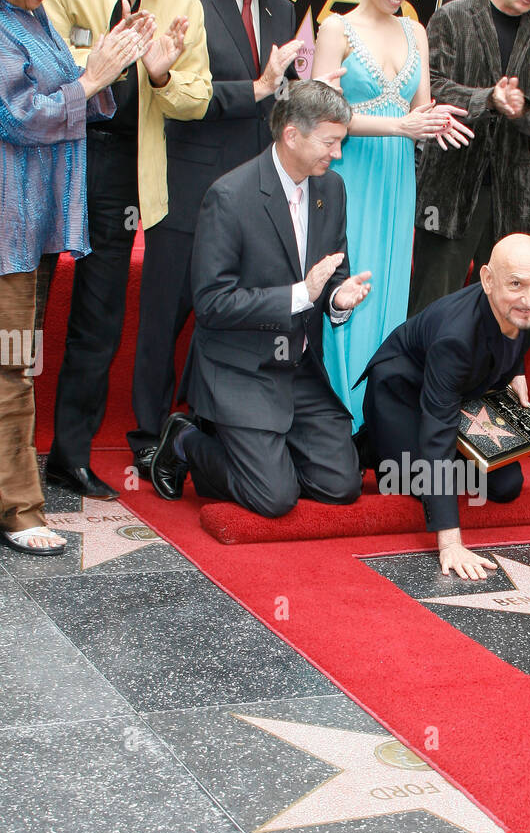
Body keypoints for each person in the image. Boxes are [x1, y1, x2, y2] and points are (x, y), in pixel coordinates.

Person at [127, 0, 307, 478]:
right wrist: (258, 84)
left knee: (231, 319)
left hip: (257, 195)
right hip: (190, 189)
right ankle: (148, 436)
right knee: (166, 315)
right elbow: (176, 98)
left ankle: (205, 426)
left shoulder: (283, 9)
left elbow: (280, 107)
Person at [42, 0, 212, 500]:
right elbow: (33, 70)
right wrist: (101, 63)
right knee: (23, 310)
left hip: (124, 169)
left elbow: (195, 100)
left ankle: (70, 456)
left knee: (100, 317)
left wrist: (163, 79)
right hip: (51, 156)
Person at [0, 0, 153, 556]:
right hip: (9, 233)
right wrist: (91, 80)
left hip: (28, 234)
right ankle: (20, 510)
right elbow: (22, 116)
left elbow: (72, 97)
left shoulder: (30, 20)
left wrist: (112, 66)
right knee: (12, 367)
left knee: (16, 364)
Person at [149, 82, 371, 517]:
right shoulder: (230, 197)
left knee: (342, 486)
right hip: (241, 367)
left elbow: (331, 274)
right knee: (274, 498)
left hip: (298, 365)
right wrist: (299, 295)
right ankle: (185, 439)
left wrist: (338, 299)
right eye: (330, 143)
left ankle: (268, 447)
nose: (337, 154)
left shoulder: (333, 189)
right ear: (292, 135)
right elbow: (212, 303)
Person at [311, 0, 472, 427]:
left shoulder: (415, 33)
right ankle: (336, 412)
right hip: (344, 170)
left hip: (397, 178)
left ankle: (373, 414)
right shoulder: (336, 29)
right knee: (346, 278)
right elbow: (321, 110)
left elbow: (419, 108)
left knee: (386, 287)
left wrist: (435, 121)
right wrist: (400, 125)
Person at [362, 235, 530, 581]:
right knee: (406, 481)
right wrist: (449, 541)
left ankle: (420, 457)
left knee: (506, 486)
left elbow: (520, 324)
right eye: (516, 284)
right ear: (487, 280)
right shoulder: (456, 338)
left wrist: (516, 368)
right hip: (403, 390)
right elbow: (438, 434)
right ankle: (369, 445)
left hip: (459, 389)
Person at [408, 0, 530, 314]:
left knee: (501, 310)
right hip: (449, 189)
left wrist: (521, 111)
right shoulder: (452, 17)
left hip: (511, 195)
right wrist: (489, 100)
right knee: (432, 304)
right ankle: (423, 374)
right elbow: (432, 87)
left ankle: (493, 375)